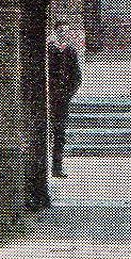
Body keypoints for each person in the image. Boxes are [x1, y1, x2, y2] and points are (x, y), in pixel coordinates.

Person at [46, 19, 82, 178]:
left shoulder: (71, 51)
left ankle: (57, 167)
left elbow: (77, 78)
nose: (63, 34)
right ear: (55, 32)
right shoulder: (48, 50)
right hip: (47, 98)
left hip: (62, 99)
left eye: (66, 31)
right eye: (60, 31)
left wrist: (67, 94)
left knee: (59, 134)